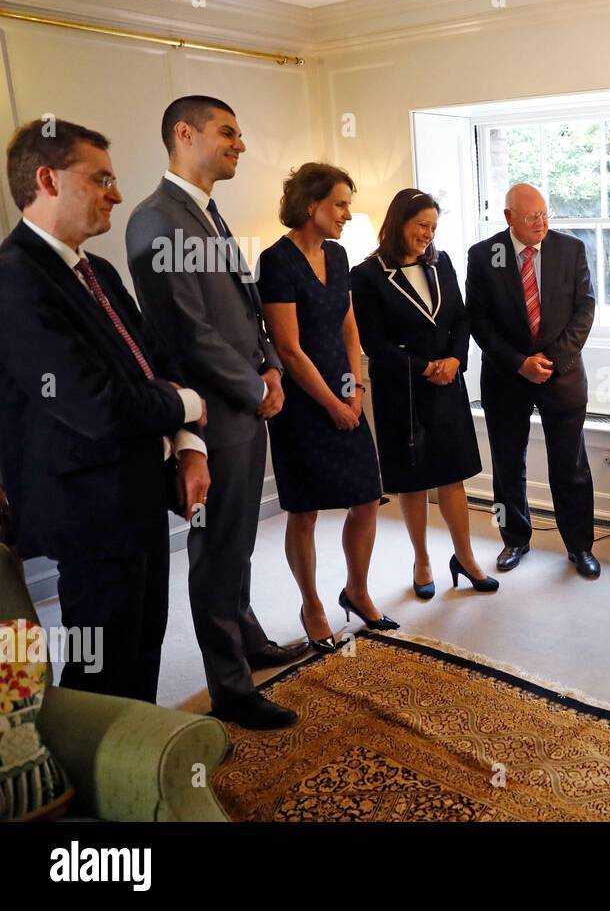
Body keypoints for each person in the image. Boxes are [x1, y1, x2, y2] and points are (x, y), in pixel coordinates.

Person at [0, 118, 207, 702]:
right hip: (85, 510)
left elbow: (151, 364)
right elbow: (97, 408)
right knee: (101, 669)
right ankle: (97, 784)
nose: (117, 193)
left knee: (144, 646)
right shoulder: (14, 280)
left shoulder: (100, 271)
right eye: (102, 179)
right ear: (47, 179)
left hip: (139, 492)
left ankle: (140, 766)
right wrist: (191, 403)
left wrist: (189, 444)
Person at [126, 96, 307, 731]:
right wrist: (253, 388)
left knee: (238, 542)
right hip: (212, 415)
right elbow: (185, 334)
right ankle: (230, 688)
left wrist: (271, 367)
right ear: (185, 133)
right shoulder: (155, 220)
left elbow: (244, 310)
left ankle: (249, 639)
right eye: (228, 132)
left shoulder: (206, 213)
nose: (241, 144)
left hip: (247, 400)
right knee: (216, 549)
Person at [258, 163, 392, 651]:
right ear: (310, 204)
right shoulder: (276, 261)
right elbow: (289, 349)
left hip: (345, 390)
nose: (348, 215)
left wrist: (355, 388)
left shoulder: (337, 255)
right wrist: (332, 404)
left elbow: (349, 326)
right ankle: (311, 605)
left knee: (366, 496)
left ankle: (356, 590)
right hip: (302, 403)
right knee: (306, 508)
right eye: (340, 204)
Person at [351, 189, 497, 597]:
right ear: (399, 222)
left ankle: (465, 557)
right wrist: (423, 367)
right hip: (404, 392)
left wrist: (454, 360)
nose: (428, 235)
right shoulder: (365, 276)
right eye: (422, 226)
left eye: (433, 227)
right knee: (413, 481)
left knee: (452, 476)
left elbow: (461, 318)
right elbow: (373, 343)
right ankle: (422, 561)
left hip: (448, 384)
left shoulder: (442, 262)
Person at [465, 183, 598, 578]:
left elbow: (585, 309)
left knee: (570, 464)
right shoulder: (483, 255)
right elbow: (479, 321)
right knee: (507, 464)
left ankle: (580, 546)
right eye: (530, 216)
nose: (541, 222)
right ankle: (514, 540)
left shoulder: (570, 249)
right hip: (507, 376)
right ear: (508, 217)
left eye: (544, 213)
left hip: (564, 374)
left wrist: (552, 360)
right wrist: (520, 362)